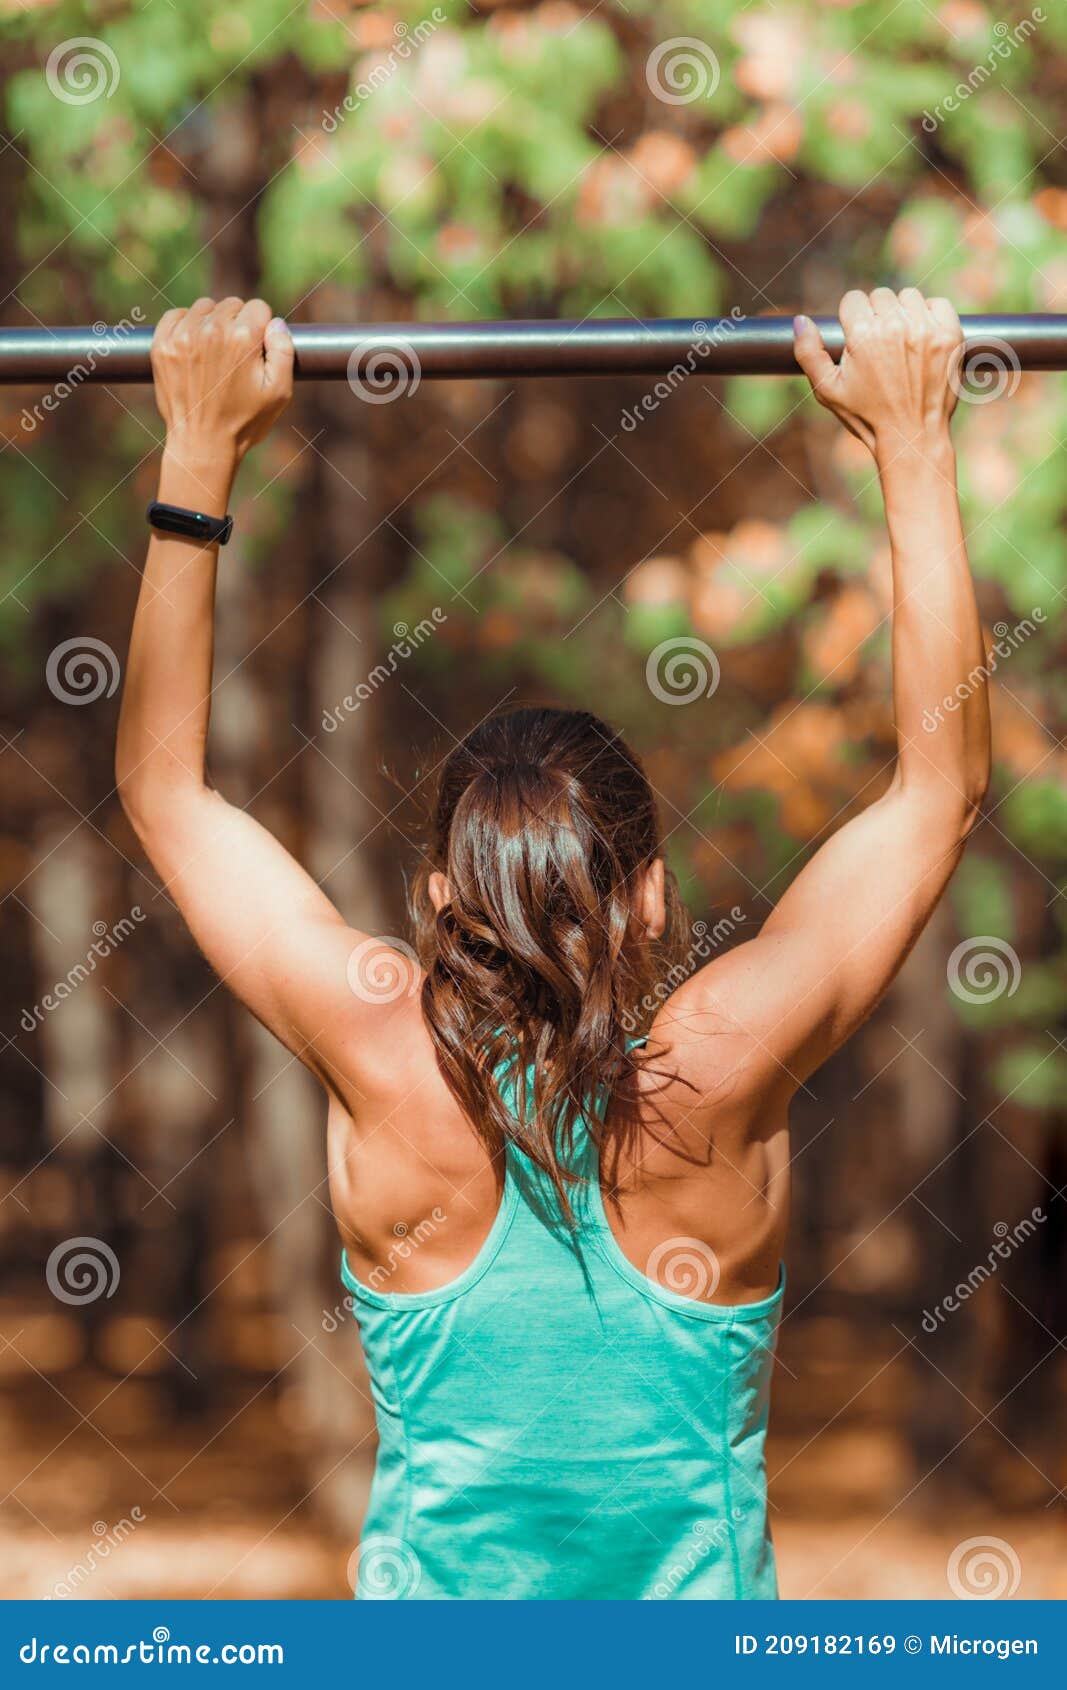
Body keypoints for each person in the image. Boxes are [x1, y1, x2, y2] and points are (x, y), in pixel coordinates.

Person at [115, 289, 991, 1599]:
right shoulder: (724, 1062)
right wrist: (912, 443)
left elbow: (165, 790)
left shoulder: (378, 1048)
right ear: (647, 898)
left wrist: (198, 449)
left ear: (433, 898)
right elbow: (939, 790)